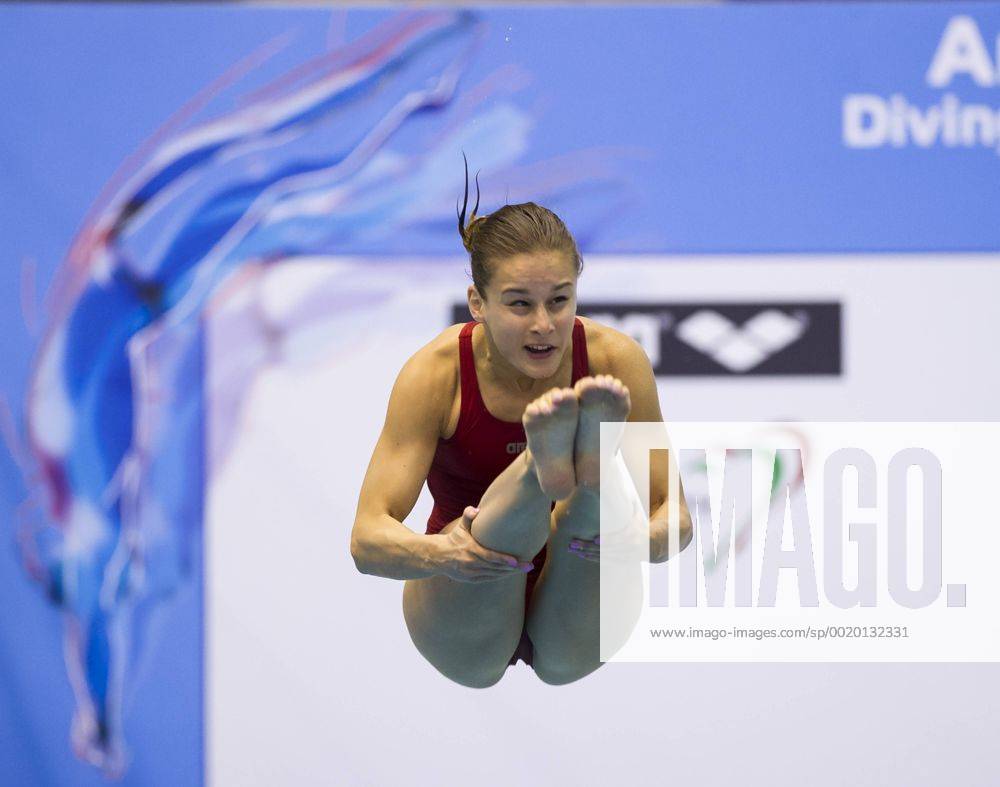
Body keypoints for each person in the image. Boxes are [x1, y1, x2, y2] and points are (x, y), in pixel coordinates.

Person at [350, 168, 692, 687]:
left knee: (588, 524)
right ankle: (545, 465)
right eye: (519, 304)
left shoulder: (615, 359)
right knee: (494, 532)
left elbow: (678, 520)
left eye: (559, 300)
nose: (543, 325)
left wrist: (637, 541)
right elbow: (367, 540)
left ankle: (579, 478)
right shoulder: (436, 374)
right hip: (467, 586)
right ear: (477, 303)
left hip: (579, 580)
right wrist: (443, 553)